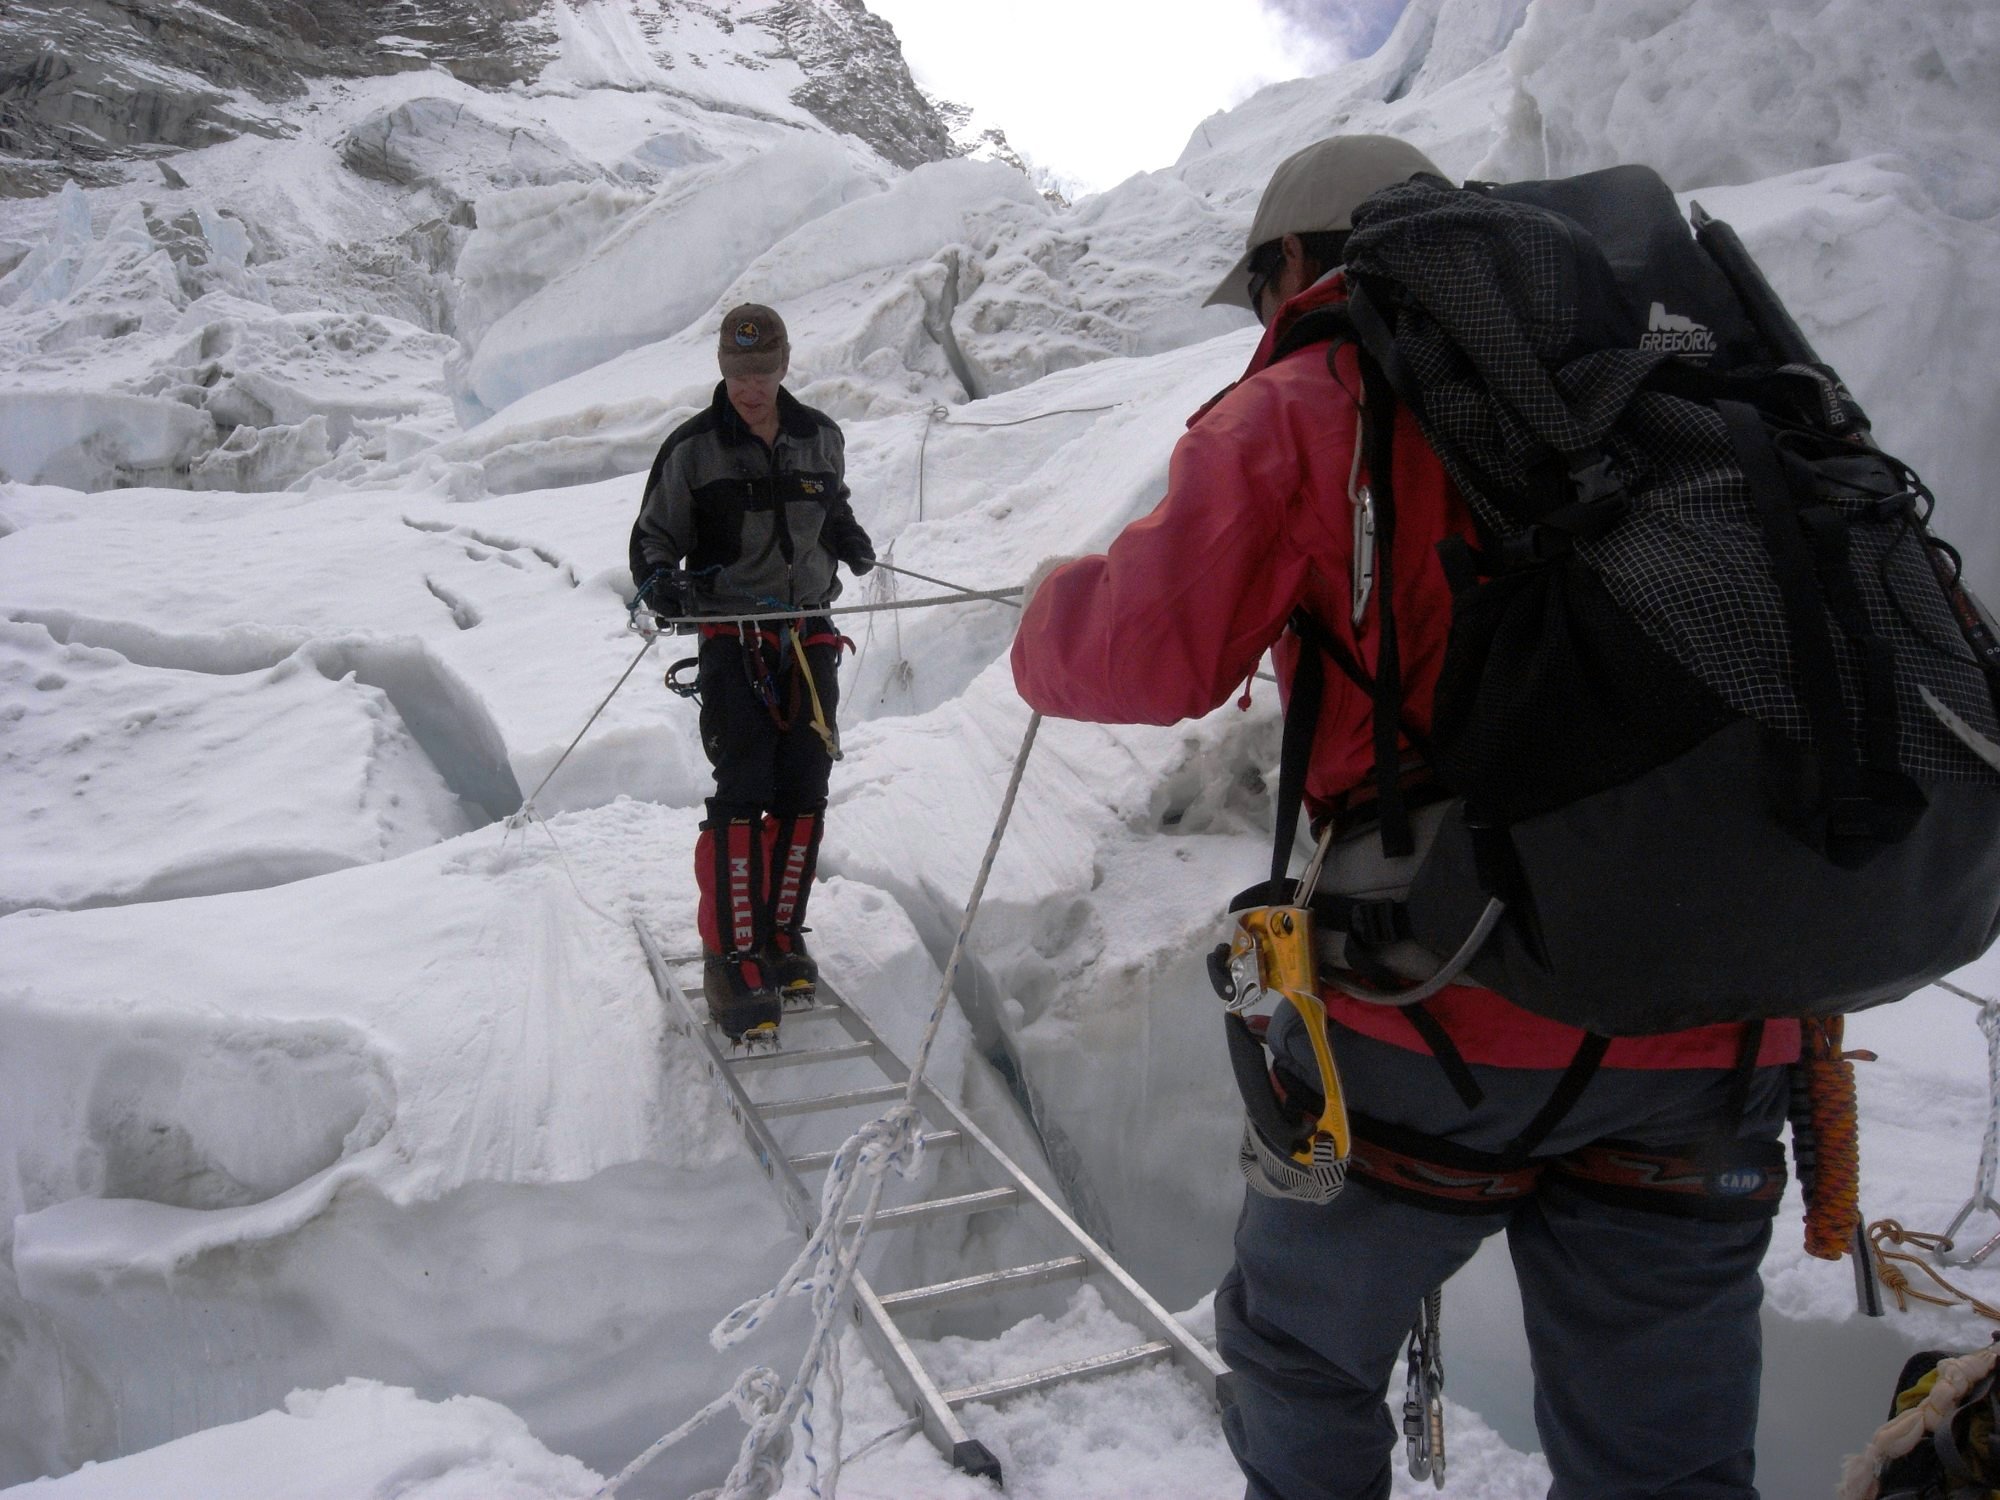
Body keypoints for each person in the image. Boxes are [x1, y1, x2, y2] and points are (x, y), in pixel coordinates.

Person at [1010, 136, 1800, 1499]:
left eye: (1261, 290)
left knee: (1298, 1354)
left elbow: (1139, 651)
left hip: (1441, 1016)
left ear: (1295, 262)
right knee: (1666, 1462)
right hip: (1712, 1021)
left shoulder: (1314, 396)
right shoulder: (1661, 382)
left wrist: (1042, 613)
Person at [630, 303, 875, 1043]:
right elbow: (653, 538)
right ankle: (732, 953)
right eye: (738, 373)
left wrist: (848, 536)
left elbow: (829, 508)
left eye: (762, 372)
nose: (750, 387)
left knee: (805, 781)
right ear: (722, 368)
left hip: (810, 632)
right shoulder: (693, 450)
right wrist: (660, 582)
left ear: (784, 365)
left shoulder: (819, 438)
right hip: (733, 636)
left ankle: (780, 933)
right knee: (744, 785)